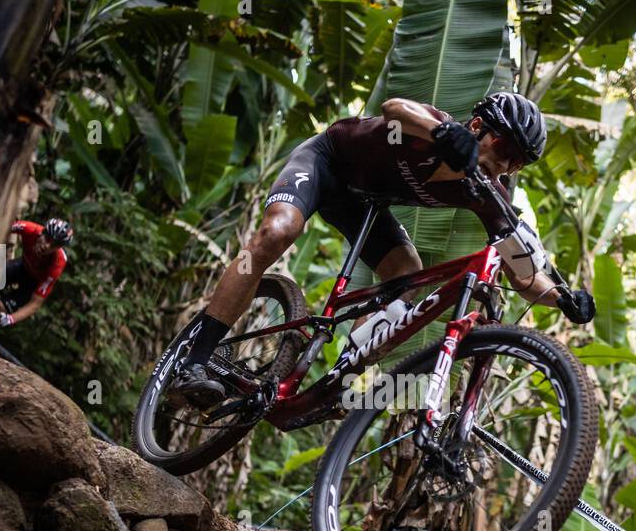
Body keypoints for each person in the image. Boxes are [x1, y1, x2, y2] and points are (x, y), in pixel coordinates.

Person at [168, 92, 596, 406]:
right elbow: (394, 108)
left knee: (406, 272)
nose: (506, 165)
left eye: (518, 161)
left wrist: (562, 298)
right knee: (276, 235)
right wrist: (442, 133)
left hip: (360, 203)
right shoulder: (433, 128)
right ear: (478, 127)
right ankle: (195, 358)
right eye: (505, 149)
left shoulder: (484, 192)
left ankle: (339, 377)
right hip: (327, 164)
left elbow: (521, 273)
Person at [0, 217, 73, 328]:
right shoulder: (29, 229)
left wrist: (11, 319)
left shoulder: (58, 262)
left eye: (54, 246)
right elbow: (0, 227)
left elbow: (36, 303)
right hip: (21, 266)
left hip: (31, 285)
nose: (47, 246)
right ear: (42, 232)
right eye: (47, 239)